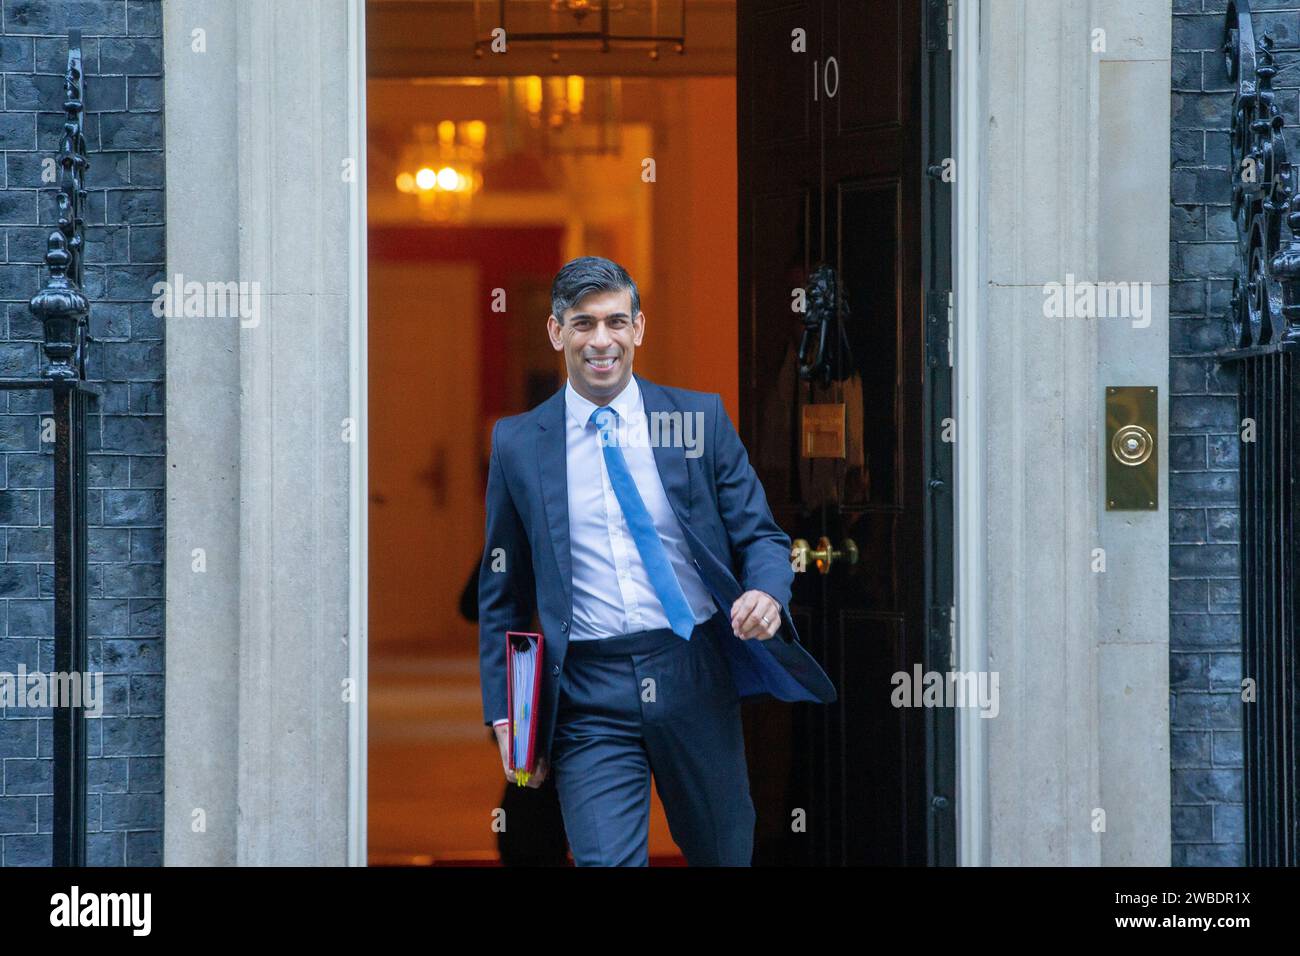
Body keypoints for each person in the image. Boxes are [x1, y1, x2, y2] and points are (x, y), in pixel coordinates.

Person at [477, 255, 835, 866]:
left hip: (690, 668)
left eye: (617, 322)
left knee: (723, 853)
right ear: (556, 332)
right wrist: (507, 712)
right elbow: (501, 589)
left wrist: (767, 594)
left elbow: (762, 536)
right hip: (587, 689)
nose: (601, 340)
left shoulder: (697, 419)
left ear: (639, 329)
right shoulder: (518, 442)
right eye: (583, 324)